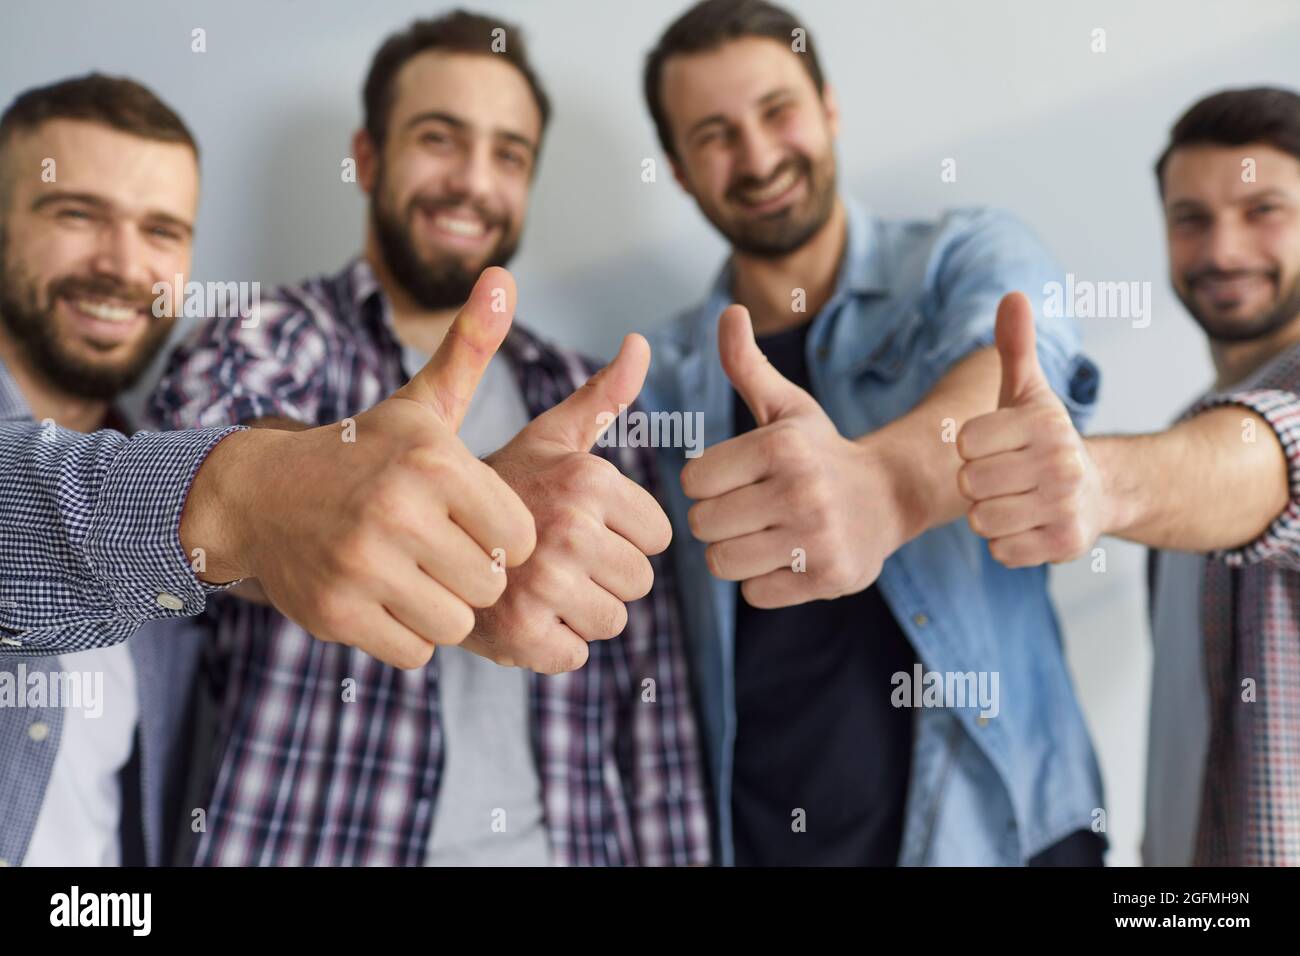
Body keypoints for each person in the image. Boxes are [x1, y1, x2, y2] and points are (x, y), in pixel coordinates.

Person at [150, 11, 710, 866]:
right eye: (439, 139)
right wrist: (316, 491)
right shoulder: (265, 335)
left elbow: (651, 710)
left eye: (509, 155)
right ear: (368, 157)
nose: (473, 181)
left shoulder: (587, 403)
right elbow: (185, 476)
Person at [0, 72, 536, 865]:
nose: (121, 264)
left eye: (161, 230)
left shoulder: (150, 460)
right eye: (76, 214)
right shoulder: (183, 465)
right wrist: (252, 493)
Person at [642, 0, 1105, 865]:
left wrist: (887, 485)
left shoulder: (961, 259)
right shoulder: (657, 376)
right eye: (715, 134)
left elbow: (1007, 374)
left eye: (778, 111)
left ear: (829, 109)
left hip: (1002, 834)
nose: (758, 156)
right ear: (677, 169)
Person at [958, 86, 1300, 866]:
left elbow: (1276, 461)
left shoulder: (1199, 453)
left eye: (1263, 210)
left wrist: (1098, 482)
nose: (1222, 250)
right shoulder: (1189, 428)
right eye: (1192, 218)